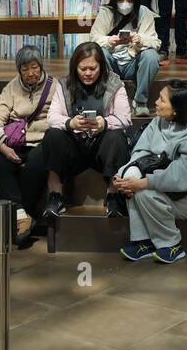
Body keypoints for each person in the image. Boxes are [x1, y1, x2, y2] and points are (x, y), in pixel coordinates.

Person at [112, 81, 187, 264]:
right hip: (166, 189)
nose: (156, 102)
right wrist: (126, 174)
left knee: (145, 193)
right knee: (132, 181)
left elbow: (183, 173)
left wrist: (145, 182)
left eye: (162, 99)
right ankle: (143, 241)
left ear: (176, 110)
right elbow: (141, 151)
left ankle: (172, 244)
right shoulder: (159, 121)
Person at [42, 41, 131, 221]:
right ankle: (56, 197)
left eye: (93, 68)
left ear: (101, 66)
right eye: (83, 69)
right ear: (75, 67)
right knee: (53, 135)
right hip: (75, 146)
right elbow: (52, 117)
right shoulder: (65, 84)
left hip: (101, 145)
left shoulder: (114, 84)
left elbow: (125, 118)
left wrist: (104, 123)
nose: (88, 73)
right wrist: (70, 123)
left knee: (117, 137)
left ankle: (113, 196)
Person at [0, 46, 53, 243]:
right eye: (25, 69)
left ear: (41, 67)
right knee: (2, 162)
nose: (31, 73)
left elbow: (60, 116)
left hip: (42, 140)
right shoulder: (11, 88)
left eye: (34, 67)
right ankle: (22, 216)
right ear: (18, 70)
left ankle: (21, 214)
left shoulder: (54, 86)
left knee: (36, 164)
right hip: (15, 140)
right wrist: (4, 147)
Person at [89, 0, 161, 117]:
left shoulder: (144, 12)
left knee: (151, 55)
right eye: (121, 0)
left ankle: (140, 101)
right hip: (112, 63)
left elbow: (156, 42)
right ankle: (110, 99)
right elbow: (93, 39)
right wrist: (109, 40)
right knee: (100, 53)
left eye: (129, 0)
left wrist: (140, 39)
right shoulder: (106, 12)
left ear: (136, 0)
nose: (125, 4)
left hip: (134, 63)